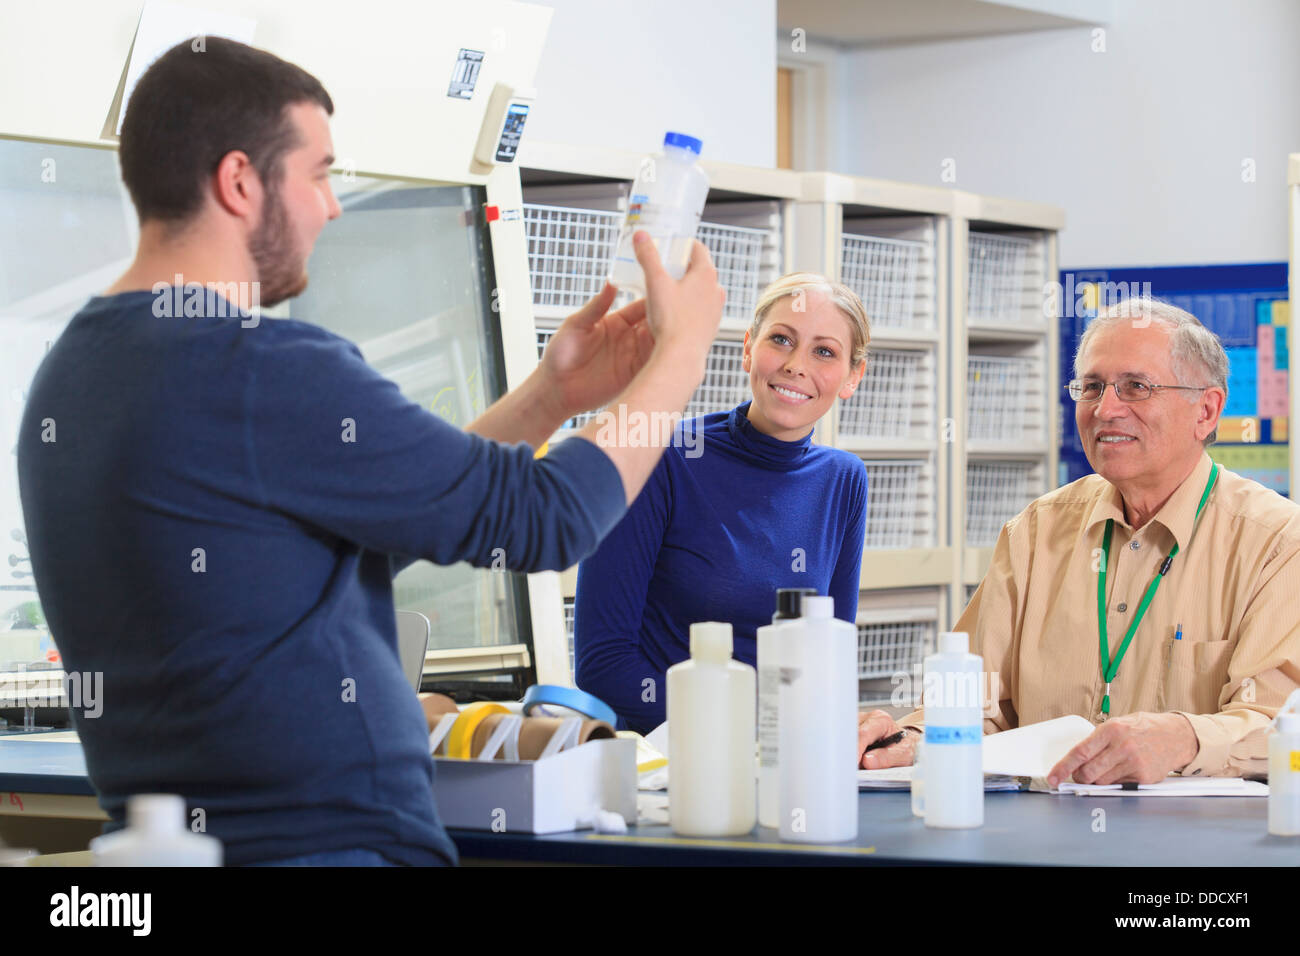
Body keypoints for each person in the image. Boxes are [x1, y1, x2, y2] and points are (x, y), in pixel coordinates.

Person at [16, 38, 724, 866]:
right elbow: (548, 519)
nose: (332, 207)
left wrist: (552, 397)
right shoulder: (259, 367)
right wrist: (680, 358)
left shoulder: (71, 375)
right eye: (318, 175)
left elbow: (393, 511)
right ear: (240, 181)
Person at [858, 297, 1300, 784]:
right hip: (1040, 824)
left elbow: (1280, 724)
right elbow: (975, 704)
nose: (1105, 409)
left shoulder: (1277, 543)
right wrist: (915, 739)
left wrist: (1184, 738)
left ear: (1207, 411)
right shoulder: (1036, 531)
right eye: (1092, 387)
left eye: (1136, 387)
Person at [575, 273, 870, 733]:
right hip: (669, 753)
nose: (796, 365)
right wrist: (740, 736)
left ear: (853, 376)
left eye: (825, 352)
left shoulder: (844, 480)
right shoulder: (661, 457)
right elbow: (603, 665)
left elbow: (829, 661)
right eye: (781, 339)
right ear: (748, 348)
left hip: (786, 754)